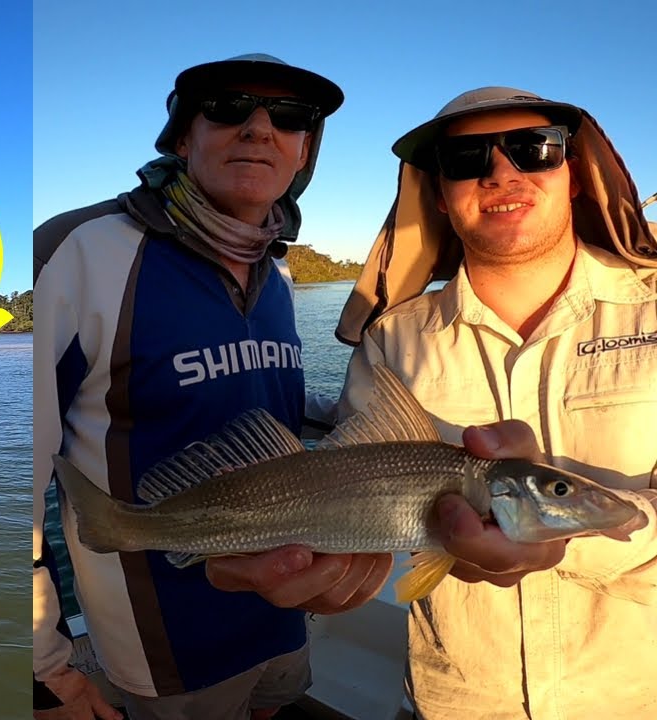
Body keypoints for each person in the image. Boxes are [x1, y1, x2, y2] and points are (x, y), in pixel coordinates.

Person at [33, 53, 388, 720]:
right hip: (167, 644)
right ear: (180, 136)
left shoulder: (276, 272)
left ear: (305, 149)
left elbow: (260, 395)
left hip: (284, 610)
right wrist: (44, 671)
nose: (260, 128)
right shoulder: (78, 250)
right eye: (228, 108)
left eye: (290, 116)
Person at [334, 86, 657, 718]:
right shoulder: (391, 342)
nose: (501, 172)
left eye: (534, 149)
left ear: (574, 175)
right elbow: (352, 500)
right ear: (439, 192)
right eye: (466, 158)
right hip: (456, 701)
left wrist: (556, 534)